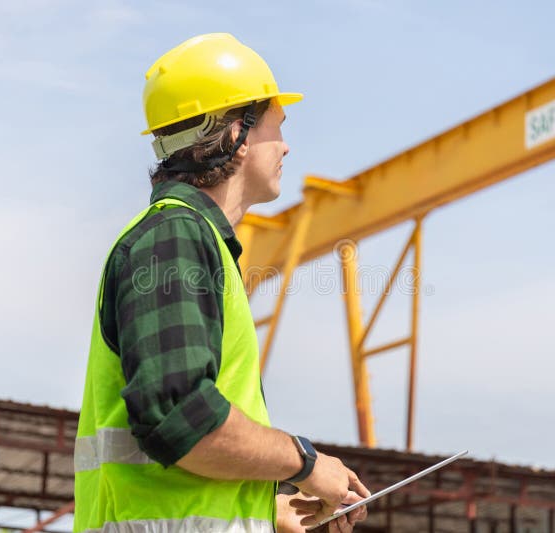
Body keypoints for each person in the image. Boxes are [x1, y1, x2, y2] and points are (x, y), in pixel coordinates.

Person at [74, 33, 370, 533]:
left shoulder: (191, 240)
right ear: (237, 133)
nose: (287, 145)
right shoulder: (174, 238)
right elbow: (181, 419)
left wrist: (267, 511)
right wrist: (306, 462)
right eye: (277, 125)